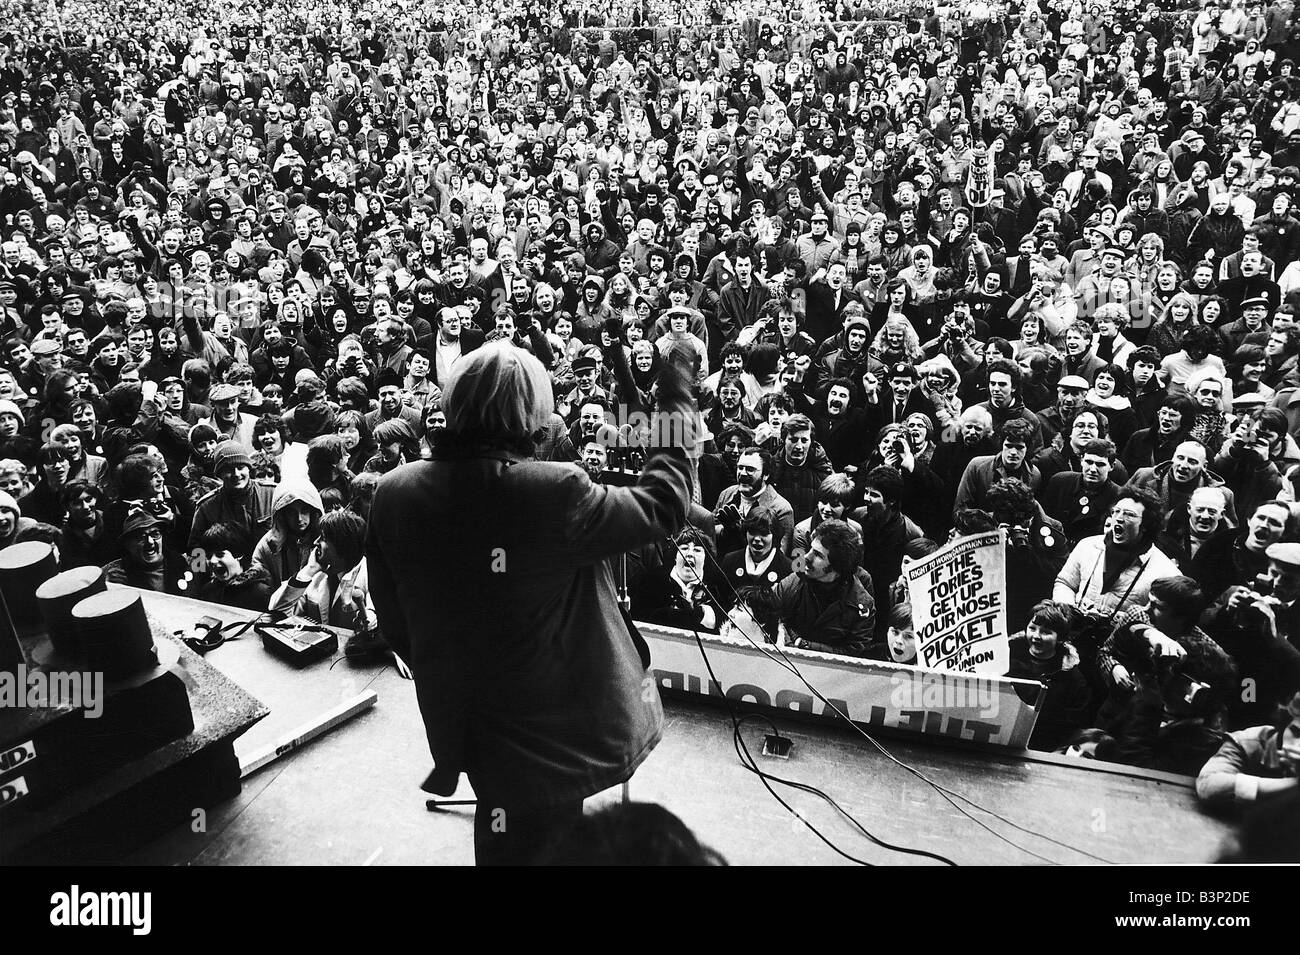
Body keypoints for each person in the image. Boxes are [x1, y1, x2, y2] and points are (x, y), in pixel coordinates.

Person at [366, 342, 697, 866]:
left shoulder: (394, 491)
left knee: (501, 828)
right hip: (550, 734)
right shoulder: (554, 490)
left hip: (465, 721)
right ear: (534, 419)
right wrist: (677, 390)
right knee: (542, 842)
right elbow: (666, 502)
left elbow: (394, 618)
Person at [740, 519, 876, 657]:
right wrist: (795, 642)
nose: (806, 557)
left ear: (837, 567)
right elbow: (771, 617)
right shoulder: (793, 582)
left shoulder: (861, 605)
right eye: (811, 549)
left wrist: (806, 646)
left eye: (818, 555)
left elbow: (855, 653)